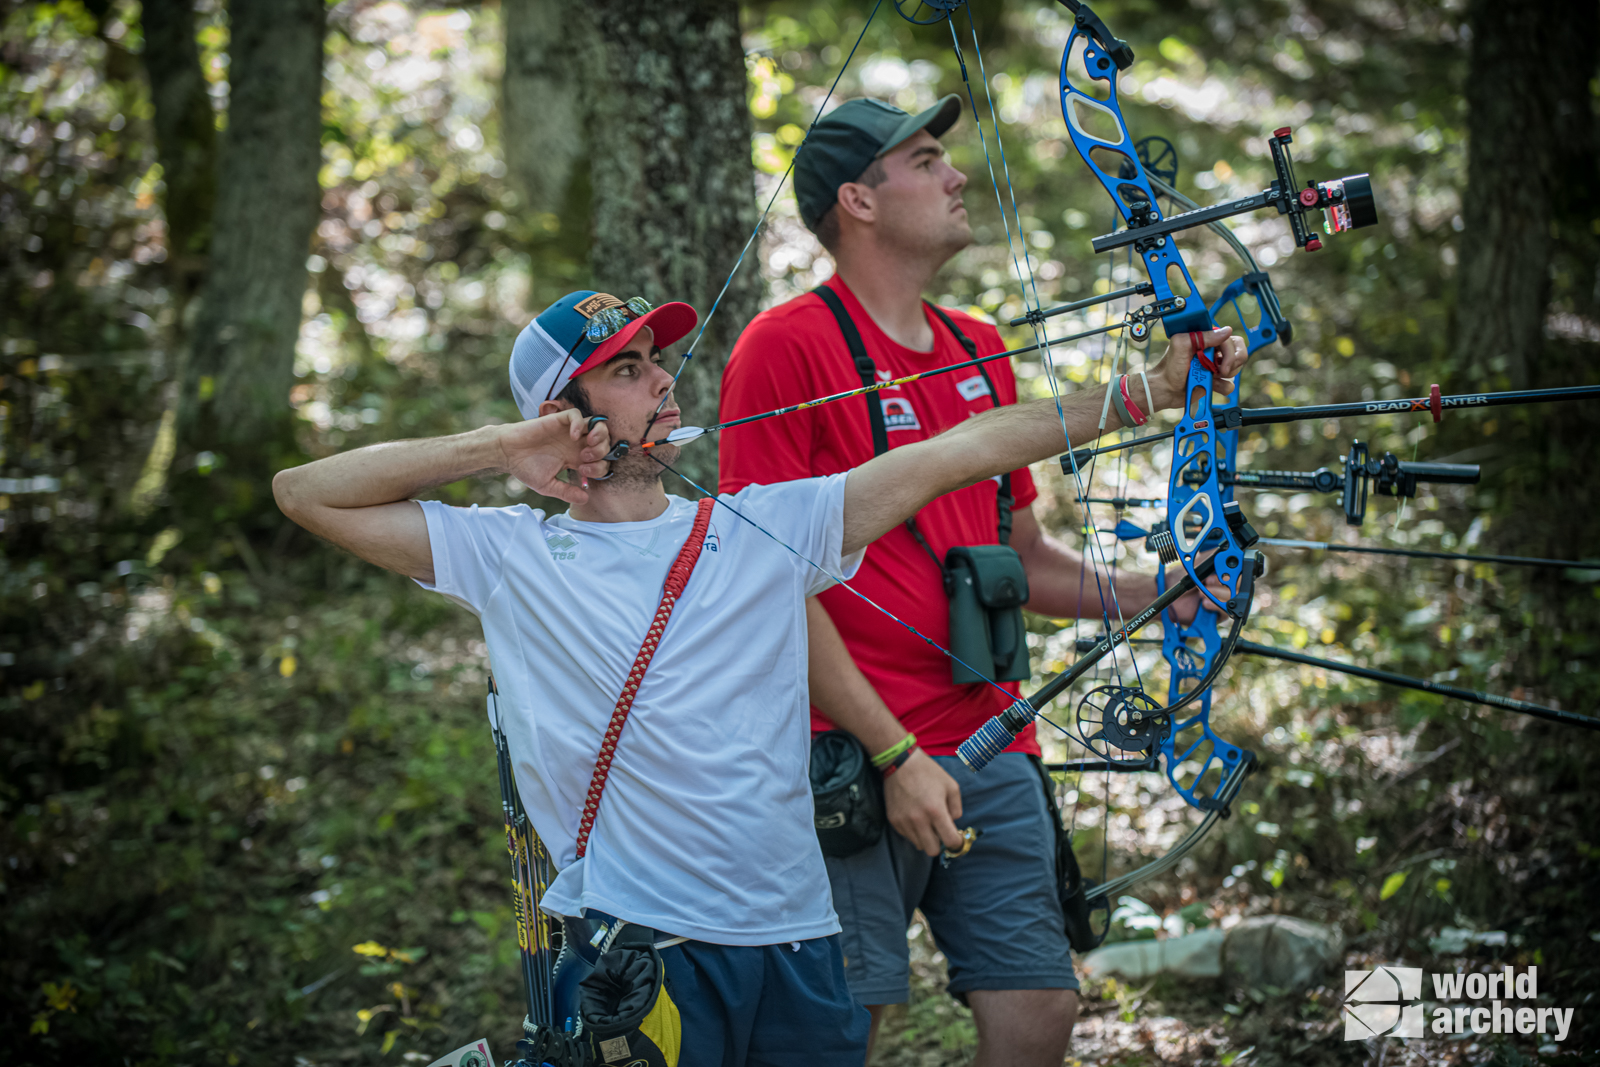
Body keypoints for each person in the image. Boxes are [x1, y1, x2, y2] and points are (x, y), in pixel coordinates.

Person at [272, 285, 1247, 1066]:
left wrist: (1147, 393)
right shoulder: (510, 552)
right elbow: (304, 491)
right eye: (626, 368)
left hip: (798, 941)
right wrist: (500, 449)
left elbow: (964, 449)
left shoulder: (759, 525)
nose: (664, 381)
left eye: (658, 360)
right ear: (560, 415)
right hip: (642, 949)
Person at [717, 96, 1206, 1064]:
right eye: (927, 160)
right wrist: (892, 753)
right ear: (857, 199)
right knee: (840, 1023)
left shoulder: (980, 344)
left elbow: (1020, 558)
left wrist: (1163, 591)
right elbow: (766, 579)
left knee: (1038, 1010)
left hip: (988, 738)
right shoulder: (786, 347)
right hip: (845, 754)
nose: (956, 177)